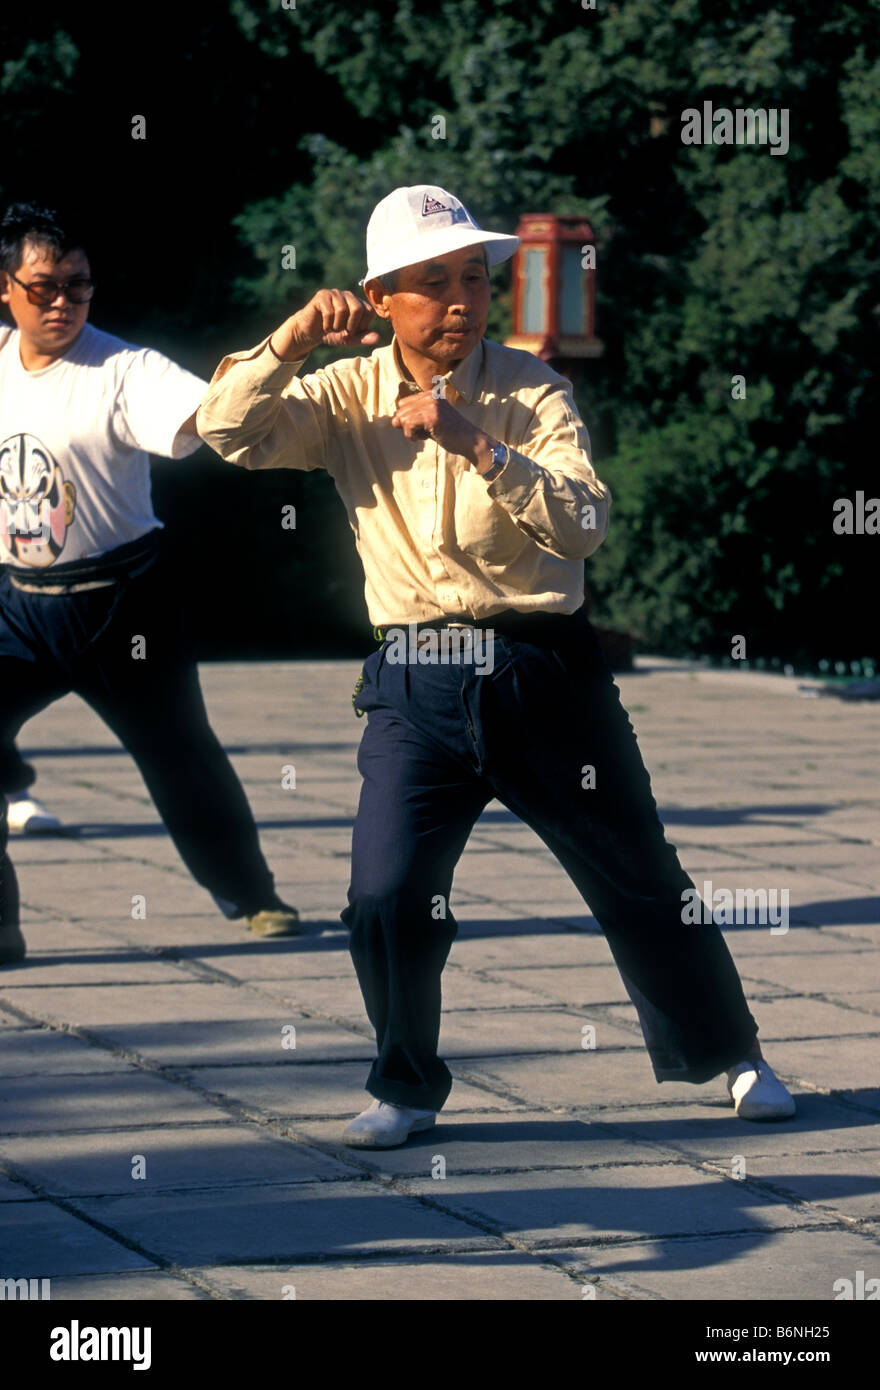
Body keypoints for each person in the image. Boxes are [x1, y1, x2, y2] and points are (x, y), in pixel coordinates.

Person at [197, 183, 796, 1147]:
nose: (461, 300)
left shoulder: (532, 393)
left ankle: (734, 1055)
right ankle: (404, 1085)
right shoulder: (347, 393)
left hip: (540, 671)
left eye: (474, 277)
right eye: (432, 283)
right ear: (382, 297)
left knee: (636, 876)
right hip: (414, 681)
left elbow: (584, 523)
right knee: (384, 894)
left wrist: (477, 443)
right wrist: (293, 337)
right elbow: (227, 433)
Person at [0, 202, 300, 966]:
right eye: (44, 287)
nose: (64, 301)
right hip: (20, 608)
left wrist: (285, 347)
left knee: (178, 755)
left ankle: (252, 894)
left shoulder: (124, 370)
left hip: (124, 604)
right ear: (6, 288)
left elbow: (213, 418)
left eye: (79, 285)